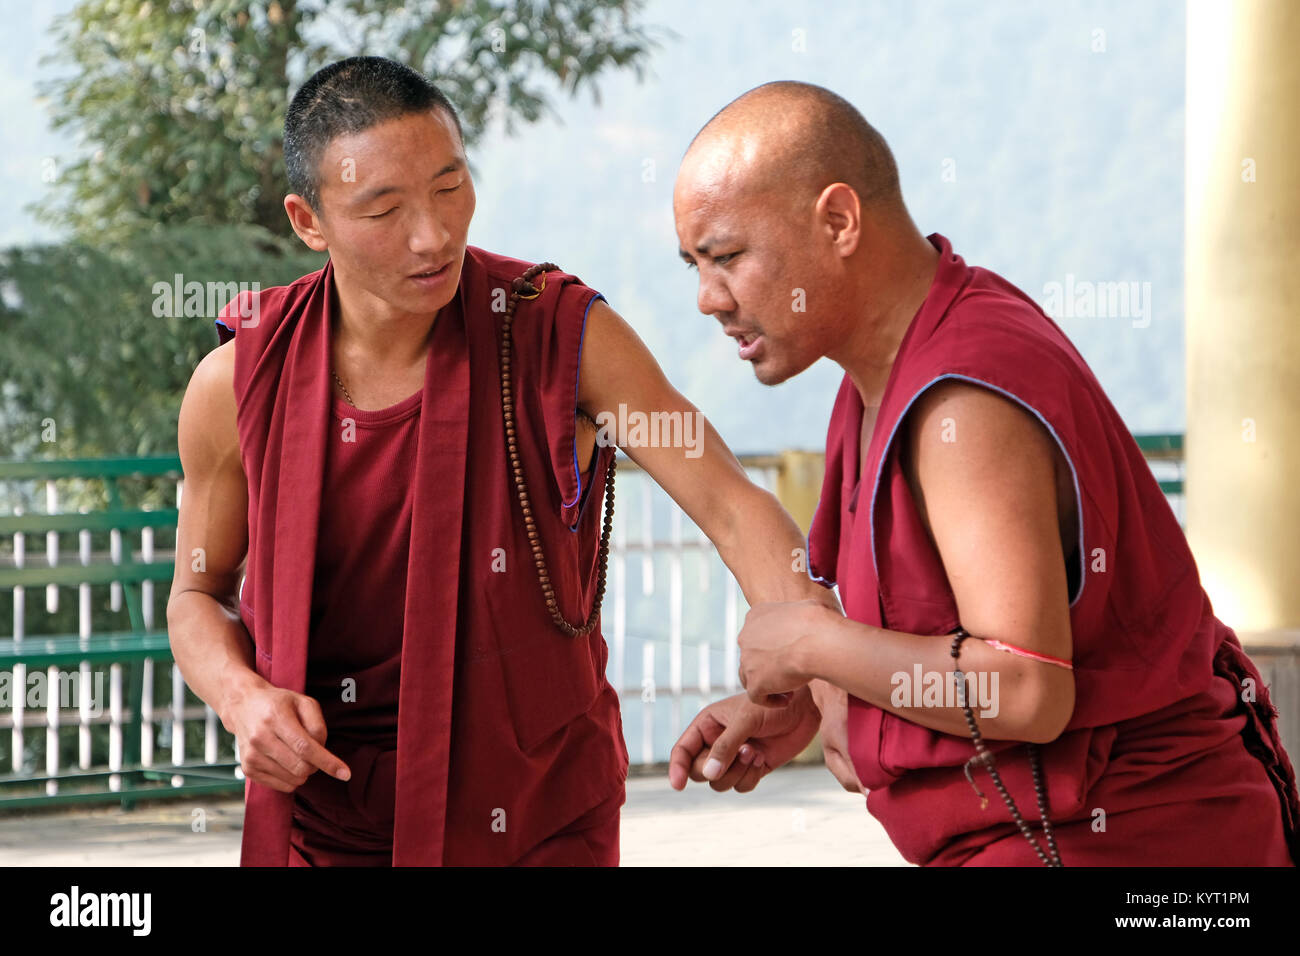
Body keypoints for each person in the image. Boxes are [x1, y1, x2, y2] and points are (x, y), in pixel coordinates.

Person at [166, 57, 832, 866]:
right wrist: (243, 700)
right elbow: (198, 594)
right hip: (328, 817)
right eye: (385, 209)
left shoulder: (559, 334)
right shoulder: (238, 380)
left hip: (539, 814)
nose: (434, 235)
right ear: (309, 221)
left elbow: (730, 505)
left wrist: (803, 680)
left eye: (450, 188)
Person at [667, 80, 1299, 866]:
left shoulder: (961, 397)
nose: (706, 299)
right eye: (693, 264)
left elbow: (1027, 691)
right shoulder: (873, 382)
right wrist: (822, 704)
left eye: (726, 257)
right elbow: (928, 647)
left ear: (837, 220)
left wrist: (811, 644)